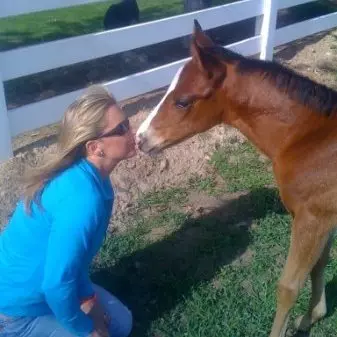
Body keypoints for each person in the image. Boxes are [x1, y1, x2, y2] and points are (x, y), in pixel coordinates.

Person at [0, 85, 136, 337]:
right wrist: (85, 329)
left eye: (127, 122)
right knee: (107, 330)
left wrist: (86, 298)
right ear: (96, 147)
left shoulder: (94, 178)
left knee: (120, 323)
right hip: (15, 311)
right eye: (122, 129)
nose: (132, 131)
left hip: (48, 286)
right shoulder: (83, 199)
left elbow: (76, 261)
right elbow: (55, 284)